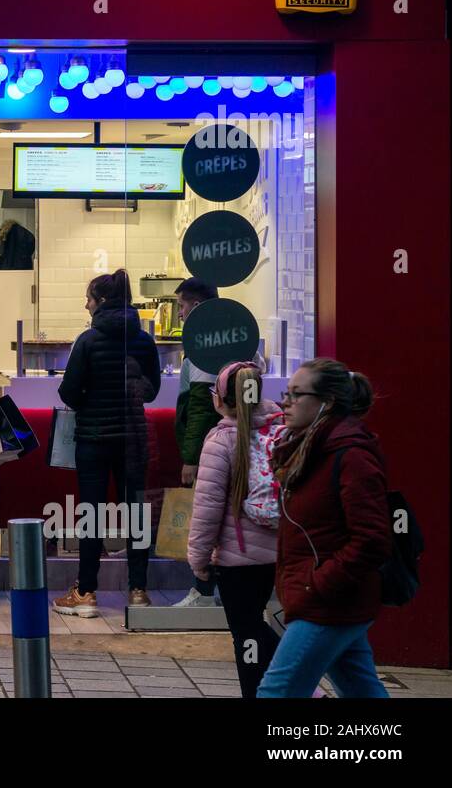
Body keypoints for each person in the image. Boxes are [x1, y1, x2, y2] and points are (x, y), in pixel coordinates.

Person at [257, 359, 391, 698]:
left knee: (276, 693)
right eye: (286, 393)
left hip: (328, 603)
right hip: (327, 599)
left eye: (297, 395)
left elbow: (372, 538)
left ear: (325, 404)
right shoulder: (310, 449)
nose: (285, 402)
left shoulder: (350, 456)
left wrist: (317, 584)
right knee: (361, 691)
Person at [53, 269, 161, 617]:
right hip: (132, 439)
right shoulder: (143, 340)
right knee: (135, 515)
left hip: (94, 439)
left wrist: (90, 399)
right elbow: (152, 390)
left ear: (100, 301)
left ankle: (85, 592)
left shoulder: (88, 340)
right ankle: (139, 591)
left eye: (88, 298)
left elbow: (68, 391)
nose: (86, 305)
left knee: (92, 515)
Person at [187, 361, 286, 697]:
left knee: (246, 633)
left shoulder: (221, 440)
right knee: (253, 626)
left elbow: (207, 508)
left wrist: (199, 559)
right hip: (278, 552)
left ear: (220, 400)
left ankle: (291, 687)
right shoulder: (281, 428)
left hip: (236, 558)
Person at [172, 276, 224, 608]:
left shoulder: (205, 348)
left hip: (210, 451)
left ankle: (203, 592)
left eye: (181, 306)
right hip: (222, 448)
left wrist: (191, 457)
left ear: (197, 305)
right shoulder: (229, 339)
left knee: (205, 522)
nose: (178, 314)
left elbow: (200, 410)